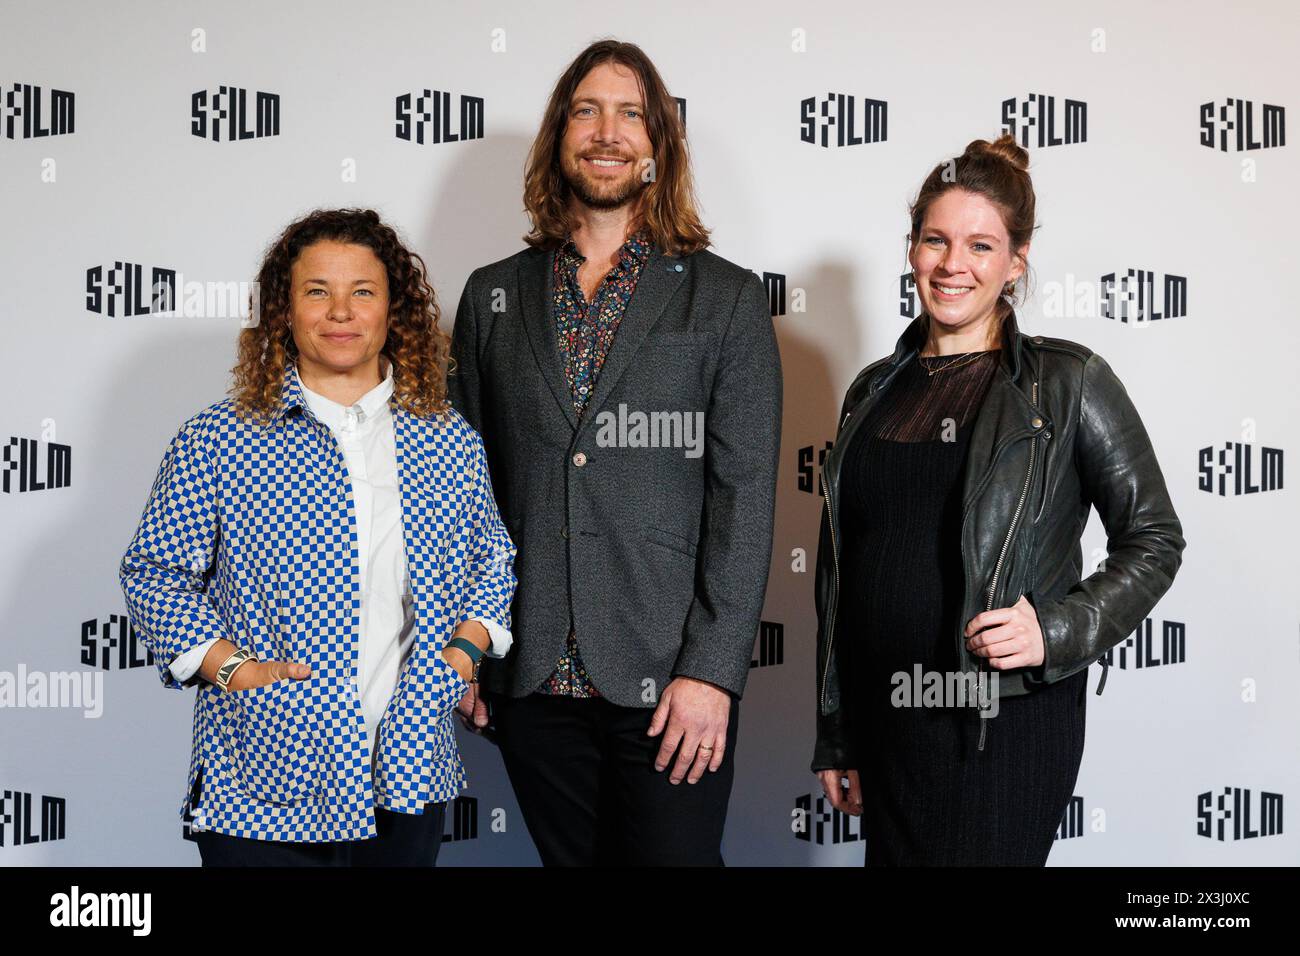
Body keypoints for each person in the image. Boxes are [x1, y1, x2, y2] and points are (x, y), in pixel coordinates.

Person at [448, 39, 782, 866]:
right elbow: (460, 490)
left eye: (632, 114)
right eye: (587, 110)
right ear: (560, 134)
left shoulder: (727, 297)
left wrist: (712, 674)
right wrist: (467, 650)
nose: (608, 132)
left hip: (669, 680)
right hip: (529, 675)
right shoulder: (493, 296)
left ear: (659, 146)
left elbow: (745, 501)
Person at [811, 135, 1185, 866]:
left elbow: (1155, 537)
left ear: (1016, 261)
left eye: (981, 246)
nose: (953, 265)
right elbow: (843, 571)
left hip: (997, 721)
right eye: (936, 240)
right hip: (888, 721)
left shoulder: (1067, 382)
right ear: (911, 247)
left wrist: (1060, 628)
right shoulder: (870, 390)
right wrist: (836, 729)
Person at [120, 208, 516, 866]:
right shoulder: (219, 438)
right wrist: (236, 671)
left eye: (362, 291)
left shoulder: (448, 441)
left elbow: (491, 562)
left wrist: (461, 657)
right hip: (262, 776)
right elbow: (156, 574)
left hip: (408, 768)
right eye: (316, 292)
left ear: (394, 310)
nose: (340, 312)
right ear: (284, 310)